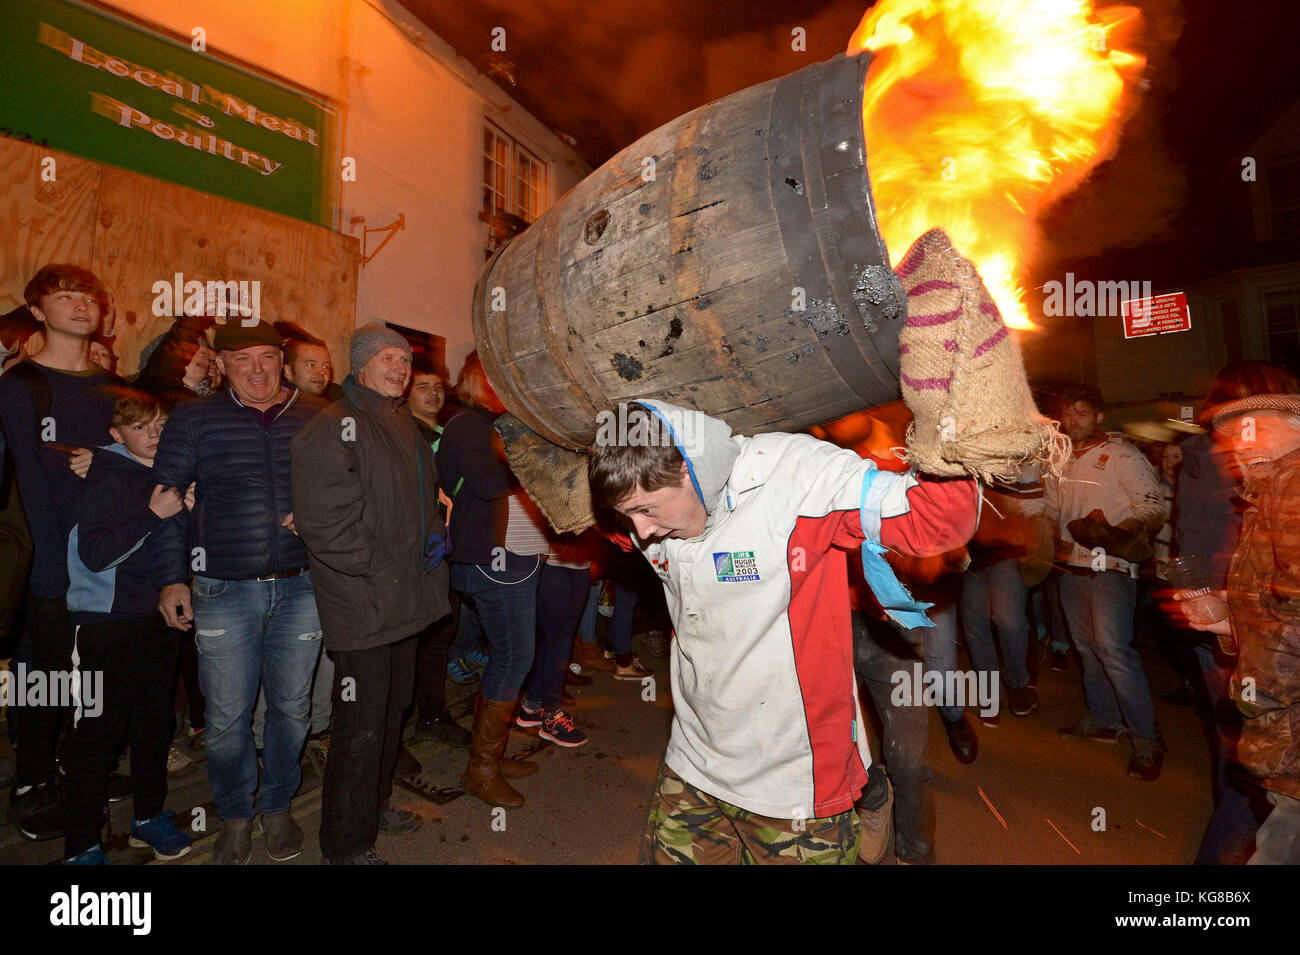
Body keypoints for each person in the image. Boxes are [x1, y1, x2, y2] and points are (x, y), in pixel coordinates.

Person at [588, 400, 979, 864]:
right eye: (628, 515)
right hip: (693, 764)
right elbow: (603, 520)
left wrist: (955, 409)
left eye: (646, 509)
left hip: (794, 788)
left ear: (690, 470)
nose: (641, 531)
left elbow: (940, 521)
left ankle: (874, 794)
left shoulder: (795, 478)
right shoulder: (646, 518)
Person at [150, 319, 326, 865]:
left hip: (304, 587)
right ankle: (233, 815)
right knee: (226, 717)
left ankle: (276, 806)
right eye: (242, 358)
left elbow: (351, 491)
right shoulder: (195, 417)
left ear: (283, 359)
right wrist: (172, 577)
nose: (257, 369)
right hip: (222, 588)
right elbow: (166, 498)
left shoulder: (319, 416)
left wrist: (319, 521)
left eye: (267, 357)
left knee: (292, 709)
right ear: (221, 364)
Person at [291, 324, 451, 865]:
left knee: (390, 713)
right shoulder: (334, 426)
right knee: (360, 726)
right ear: (359, 365)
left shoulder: (402, 422)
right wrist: (388, 568)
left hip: (405, 600)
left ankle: (373, 807)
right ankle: (344, 843)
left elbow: (424, 500)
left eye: (405, 360)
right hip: (363, 603)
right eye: (388, 357)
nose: (400, 367)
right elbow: (327, 524)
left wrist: (436, 531)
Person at [0, 264, 121, 841]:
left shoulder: (114, 392)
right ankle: (31, 783)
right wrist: (51, 568)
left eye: (88, 297)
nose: (80, 305)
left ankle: (82, 767)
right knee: (41, 676)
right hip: (47, 560)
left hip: (107, 562)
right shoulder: (20, 386)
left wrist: (108, 464)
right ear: (39, 311)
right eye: (64, 297)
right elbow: (22, 478)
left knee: (94, 674)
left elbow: (135, 470)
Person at [61, 391, 193, 864]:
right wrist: (153, 514)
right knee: (95, 736)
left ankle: (147, 817)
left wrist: (188, 510)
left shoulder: (168, 475)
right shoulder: (106, 477)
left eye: (160, 424)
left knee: (154, 726)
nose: (154, 434)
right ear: (117, 435)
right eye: (142, 427)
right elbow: (95, 555)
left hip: (155, 619)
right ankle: (82, 846)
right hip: (104, 624)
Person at [1175, 393, 1300, 864]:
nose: (1241, 446)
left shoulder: (1293, 482)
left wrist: (1256, 688)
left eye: (1254, 429)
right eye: (1232, 440)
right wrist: (1232, 618)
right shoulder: (1274, 488)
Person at [435, 352, 543, 808]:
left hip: (514, 556)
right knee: (515, 656)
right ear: (478, 380)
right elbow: (486, 482)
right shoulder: (468, 425)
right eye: (499, 379)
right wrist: (539, 461)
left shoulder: (494, 425)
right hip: (490, 559)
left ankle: (490, 758)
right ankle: (481, 770)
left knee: (511, 656)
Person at [1045, 385, 1168, 781]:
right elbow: (1051, 507)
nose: (1073, 419)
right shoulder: (1060, 457)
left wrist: (1116, 532)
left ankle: (1147, 740)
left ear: (1099, 417)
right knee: (1086, 647)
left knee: (1114, 650)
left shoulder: (1123, 455)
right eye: (1068, 412)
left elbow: (1153, 506)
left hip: (1110, 568)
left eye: (1082, 412)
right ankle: (1103, 718)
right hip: (1070, 568)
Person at [276, 322, 339, 400]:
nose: (321, 372)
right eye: (311, 365)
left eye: (325, 367)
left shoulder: (337, 402)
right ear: (288, 372)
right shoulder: (280, 408)